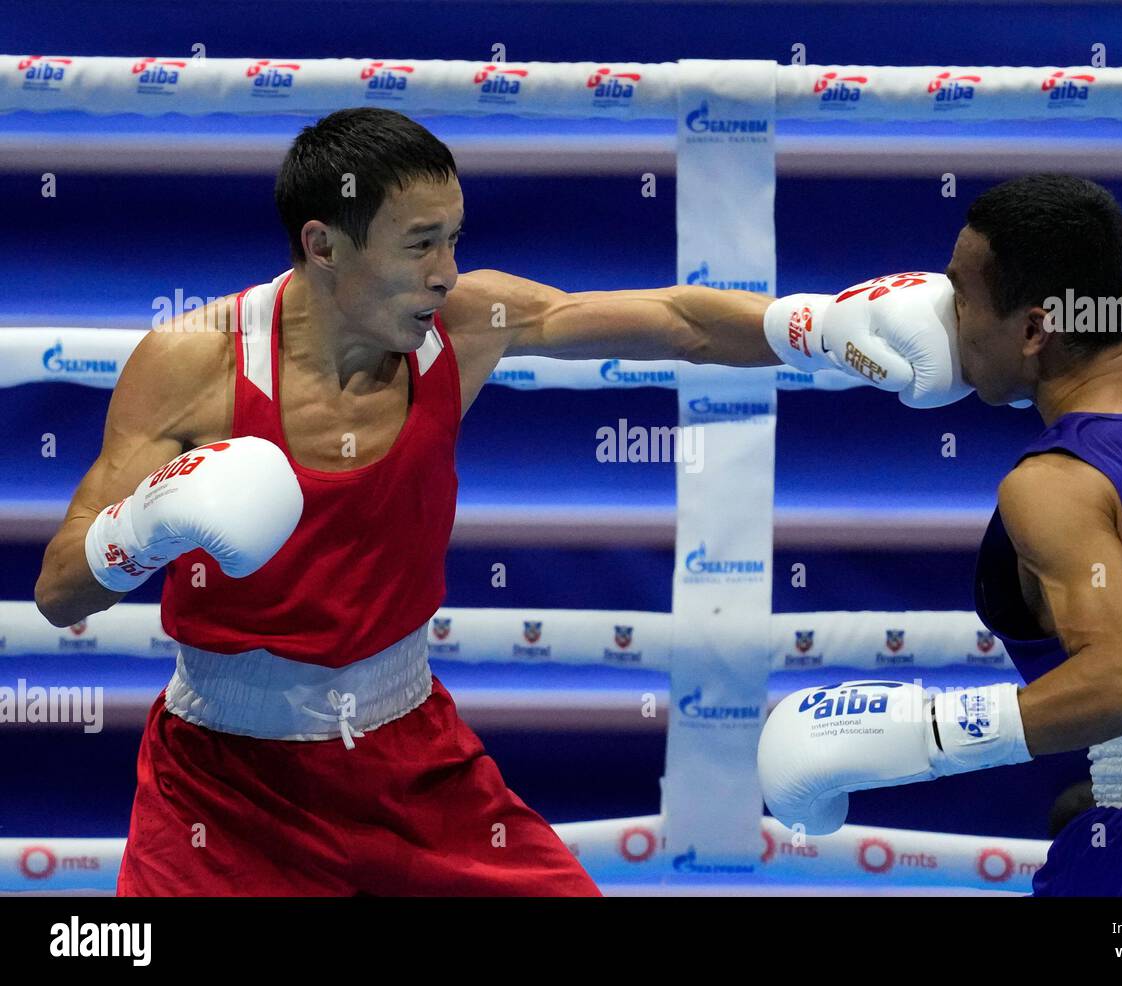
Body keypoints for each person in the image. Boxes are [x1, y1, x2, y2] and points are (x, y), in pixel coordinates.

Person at [33, 107, 963, 896]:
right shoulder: (193, 362)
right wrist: (143, 525)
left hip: (410, 764)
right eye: (419, 243)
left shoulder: (463, 327)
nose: (446, 271)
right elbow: (60, 591)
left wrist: (811, 325)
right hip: (221, 791)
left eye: (455, 239)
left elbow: (672, 321)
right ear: (322, 244)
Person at [758, 174, 1122, 896]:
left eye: (960, 296)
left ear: (1036, 330)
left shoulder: (1051, 483)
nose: (946, 318)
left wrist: (929, 733)